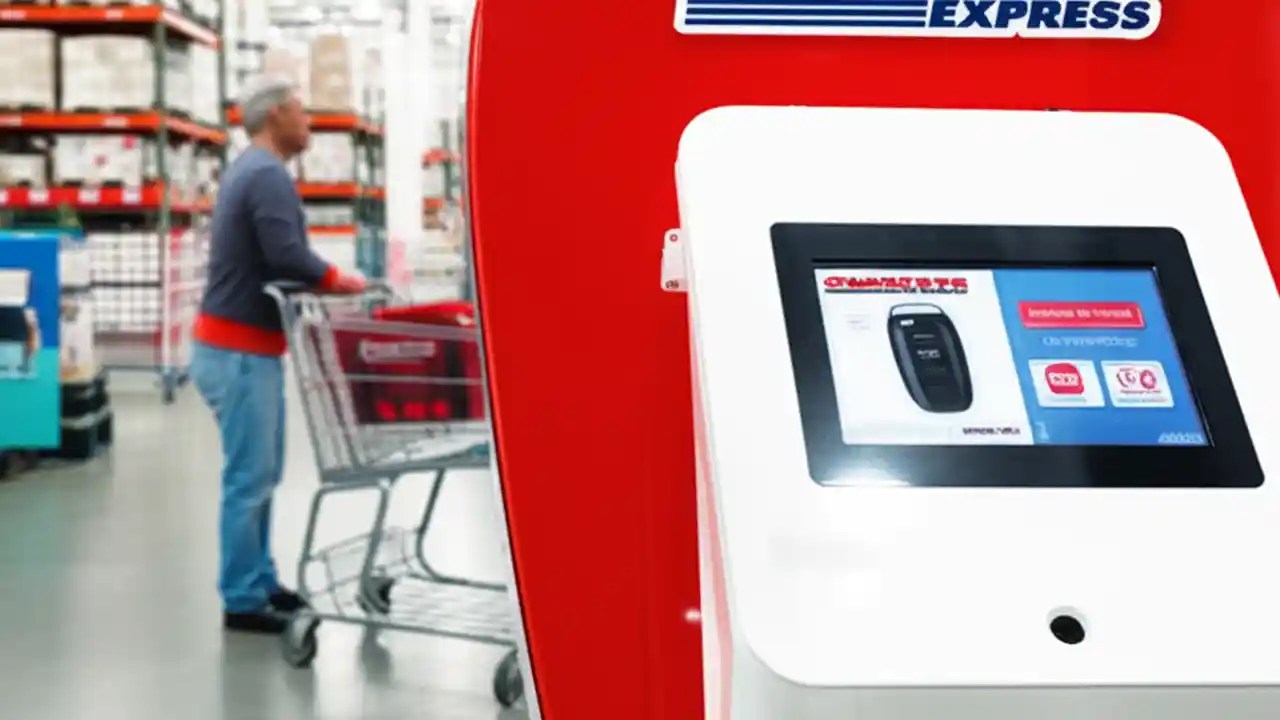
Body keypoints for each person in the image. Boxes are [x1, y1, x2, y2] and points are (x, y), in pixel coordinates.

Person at [191, 77, 366, 634]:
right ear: (274, 118)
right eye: (299, 110)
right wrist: (339, 279)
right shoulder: (265, 174)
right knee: (249, 477)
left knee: (261, 475)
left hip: (245, 349)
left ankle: (261, 580)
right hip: (237, 352)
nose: (308, 119)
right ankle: (242, 598)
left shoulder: (256, 170)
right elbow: (285, 255)